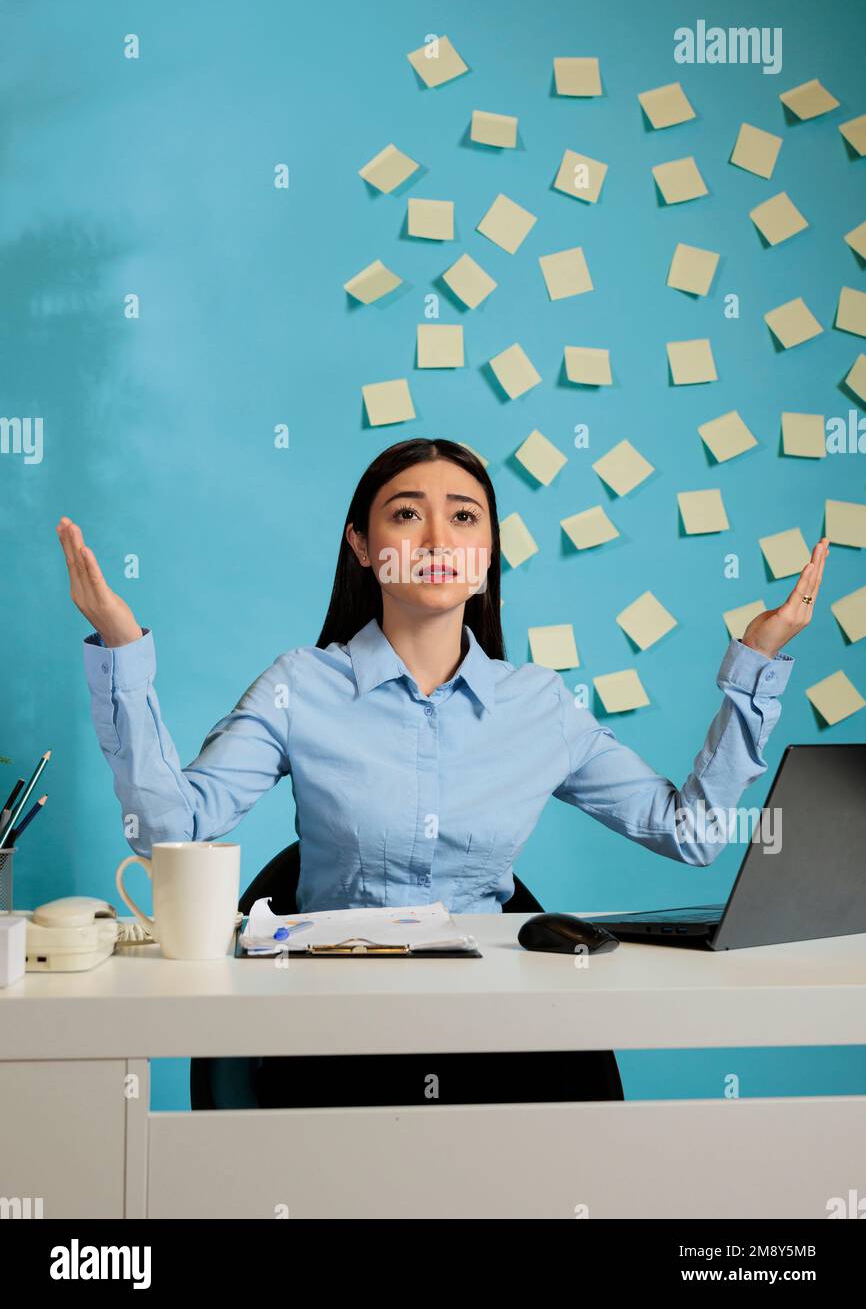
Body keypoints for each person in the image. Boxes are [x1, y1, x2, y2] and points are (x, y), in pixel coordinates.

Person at [57, 437, 828, 1107]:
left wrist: (755, 667)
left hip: (498, 1031)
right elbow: (167, 831)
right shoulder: (301, 687)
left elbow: (691, 834)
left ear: (487, 555)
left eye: (463, 516)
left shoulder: (540, 706)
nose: (436, 536)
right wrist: (122, 651)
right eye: (404, 514)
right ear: (361, 545)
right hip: (331, 1038)